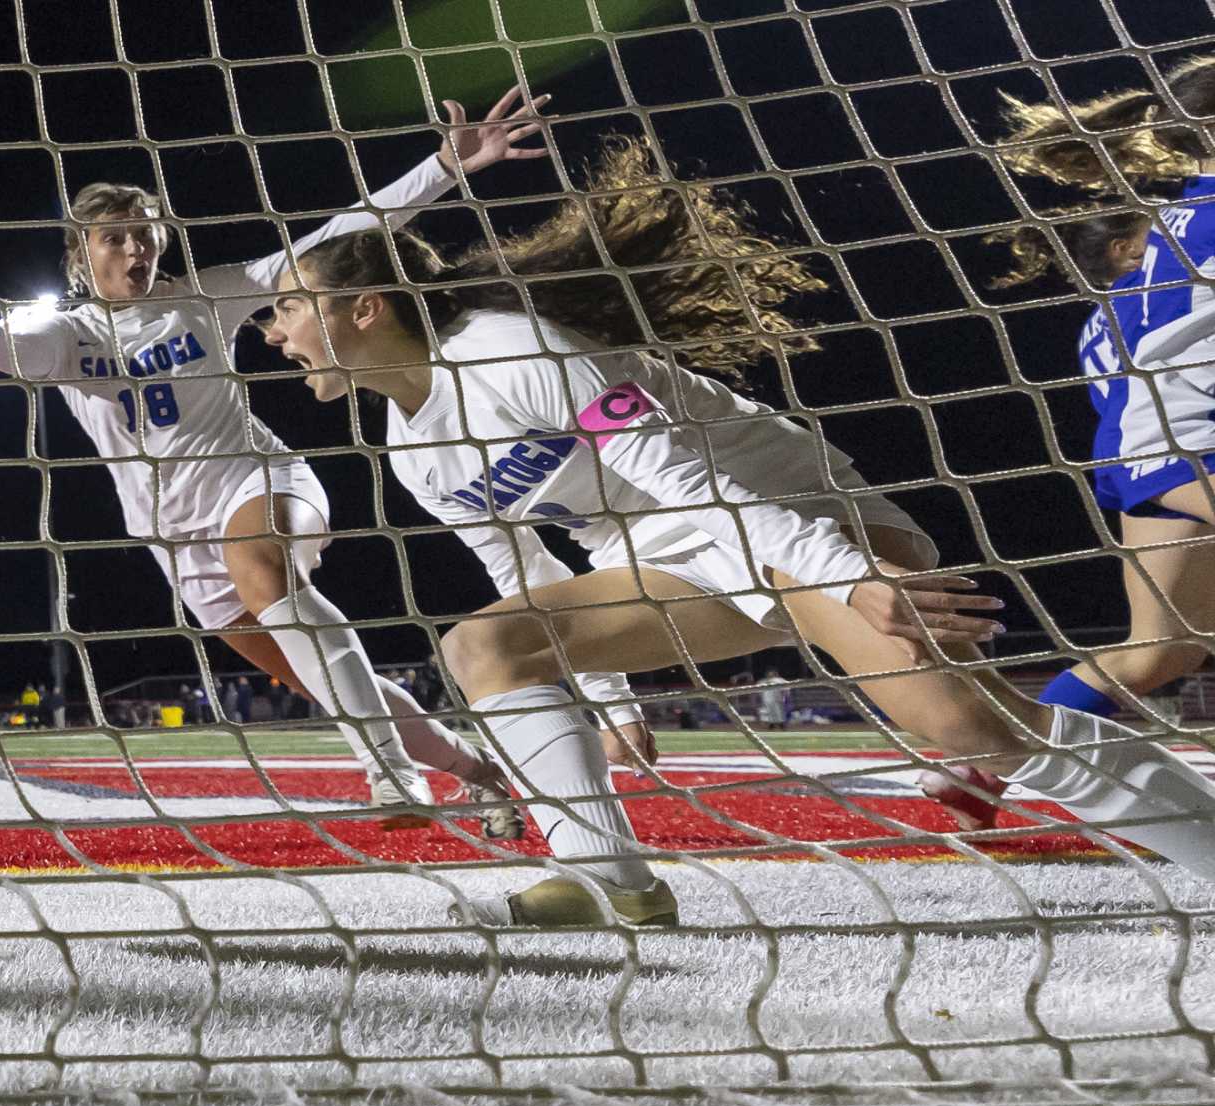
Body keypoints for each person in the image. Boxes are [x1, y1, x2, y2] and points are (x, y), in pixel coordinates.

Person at [260, 137, 1215, 925]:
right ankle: (611, 883)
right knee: (485, 644)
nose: (275, 330)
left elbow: (693, 480)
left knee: (971, 729)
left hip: (800, 521)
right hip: (673, 564)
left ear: (364, 310)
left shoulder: (518, 351)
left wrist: (845, 576)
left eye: (292, 306)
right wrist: (612, 699)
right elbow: (515, 565)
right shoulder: (412, 446)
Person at [0, 86, 556, 832]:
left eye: (145, 234)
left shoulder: (208, 297)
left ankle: (391, 774)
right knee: (333, 679)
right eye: (114, 238)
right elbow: (20, 353)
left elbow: (337, 239)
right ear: (80, 254)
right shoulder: (73, 334)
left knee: (264, 570)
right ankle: (476, 770)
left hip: (262, 481)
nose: (135, 248)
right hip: (179, 542)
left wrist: (444, 166)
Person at [924, 58, 1215, 828]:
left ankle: (981, 763)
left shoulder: (1178, 224)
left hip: (1149, 449)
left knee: (1162, 653)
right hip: (1196, 442)